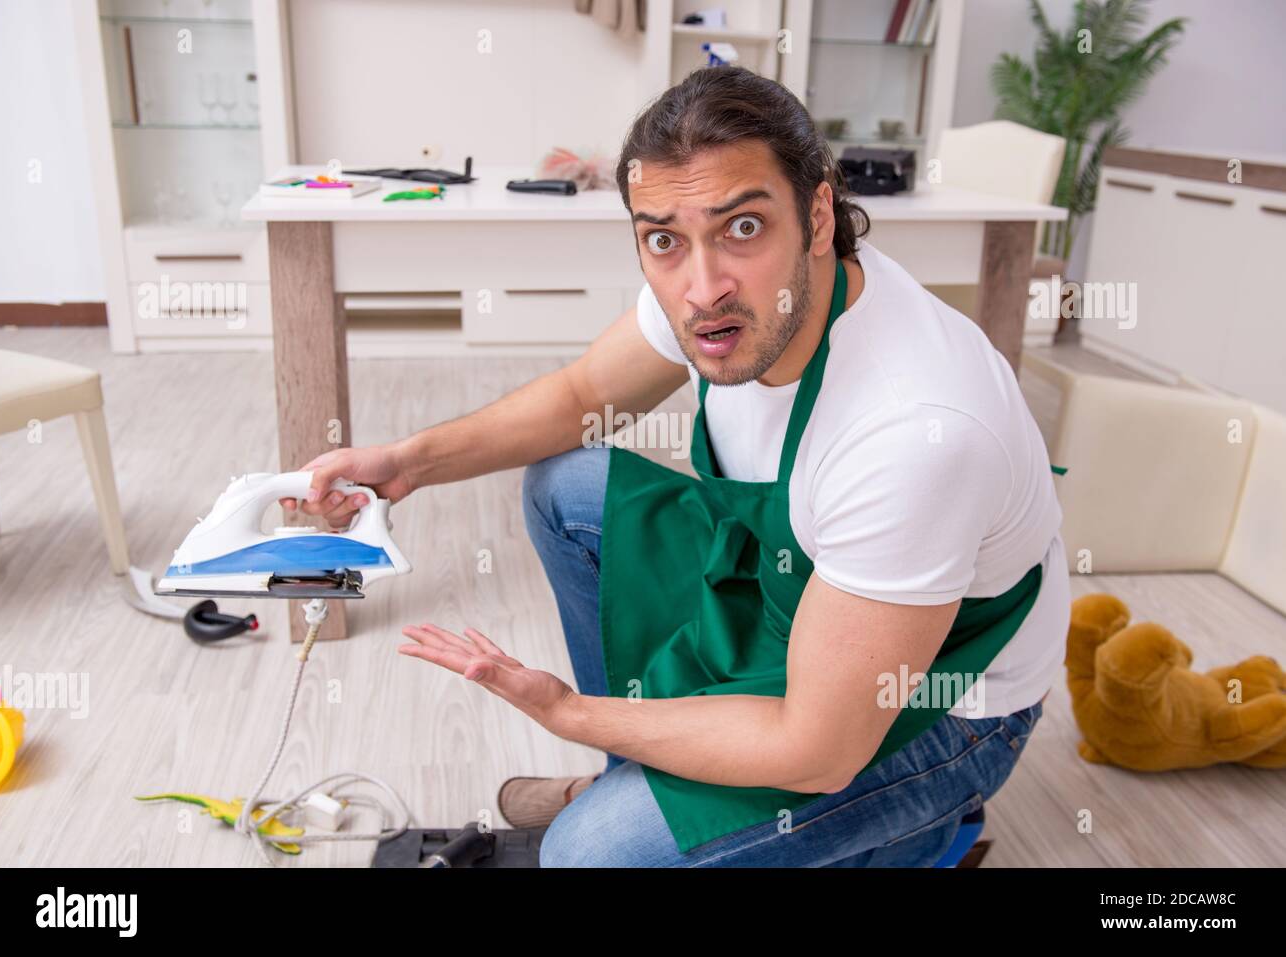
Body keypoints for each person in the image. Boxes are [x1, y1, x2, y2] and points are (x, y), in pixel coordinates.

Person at [280, 66, 1069, 867]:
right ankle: (651, 776)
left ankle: (924, 830)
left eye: (744, 228)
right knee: (569, 487)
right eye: (664, 239)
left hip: (939, 698)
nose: (701, 289)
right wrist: (407, 462)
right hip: (794, 591)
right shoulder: (711, 291)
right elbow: (582, 393)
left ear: (819, 214)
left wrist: (570, 711)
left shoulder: (915, 431)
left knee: (585, 856)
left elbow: (817, 747)